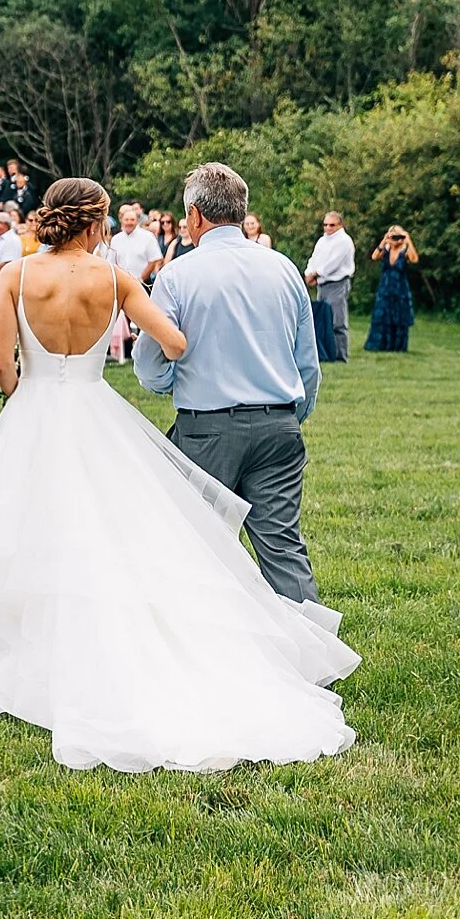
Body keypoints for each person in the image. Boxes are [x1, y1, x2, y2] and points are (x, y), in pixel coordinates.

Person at [0, 173, 357, 774]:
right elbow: (173, 343)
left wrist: (24, 396)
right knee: (119, 532)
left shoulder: (17, 274)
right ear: (96, 223)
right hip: (98, 412)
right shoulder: (117, 279)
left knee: (30, 530)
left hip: (37, 412)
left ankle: (40, 648)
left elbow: (1, 365)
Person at [134, 162, 327, 611]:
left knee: (196, 545)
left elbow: (148, 364)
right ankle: (313, 656)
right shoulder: (284, 269)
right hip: (278, 426)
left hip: (207, 430)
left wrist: (171, 381)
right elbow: (307, 363)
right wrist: (289, 415)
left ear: (196, 216)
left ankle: (205, 649)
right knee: (282, 545)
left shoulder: (177, 275)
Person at [303, 211, 356, 362]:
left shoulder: (344, 241)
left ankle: (340, 355)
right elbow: (313, 259)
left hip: (337, 283)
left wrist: (316, 274)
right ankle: (326, 352)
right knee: (324, 318)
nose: (328, 228)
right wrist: (309, 273)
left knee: (337, 320)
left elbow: (333, 263)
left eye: (332, 225)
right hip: (323, 284)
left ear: (340, 225)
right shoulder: (322, 241)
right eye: (325, 225)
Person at [364, 225, 418, 352]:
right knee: (382, 315)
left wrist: (407, 240)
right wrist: (384, 240)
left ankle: (397, 346)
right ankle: (380, 344)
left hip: (400, 288)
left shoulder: (405, 250)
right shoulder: (386, 250)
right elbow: (374, 256)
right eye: (393, 236)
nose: (395, 239)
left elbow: (414, 259)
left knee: (399, 316)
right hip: (385, 288)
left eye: (397, 236)